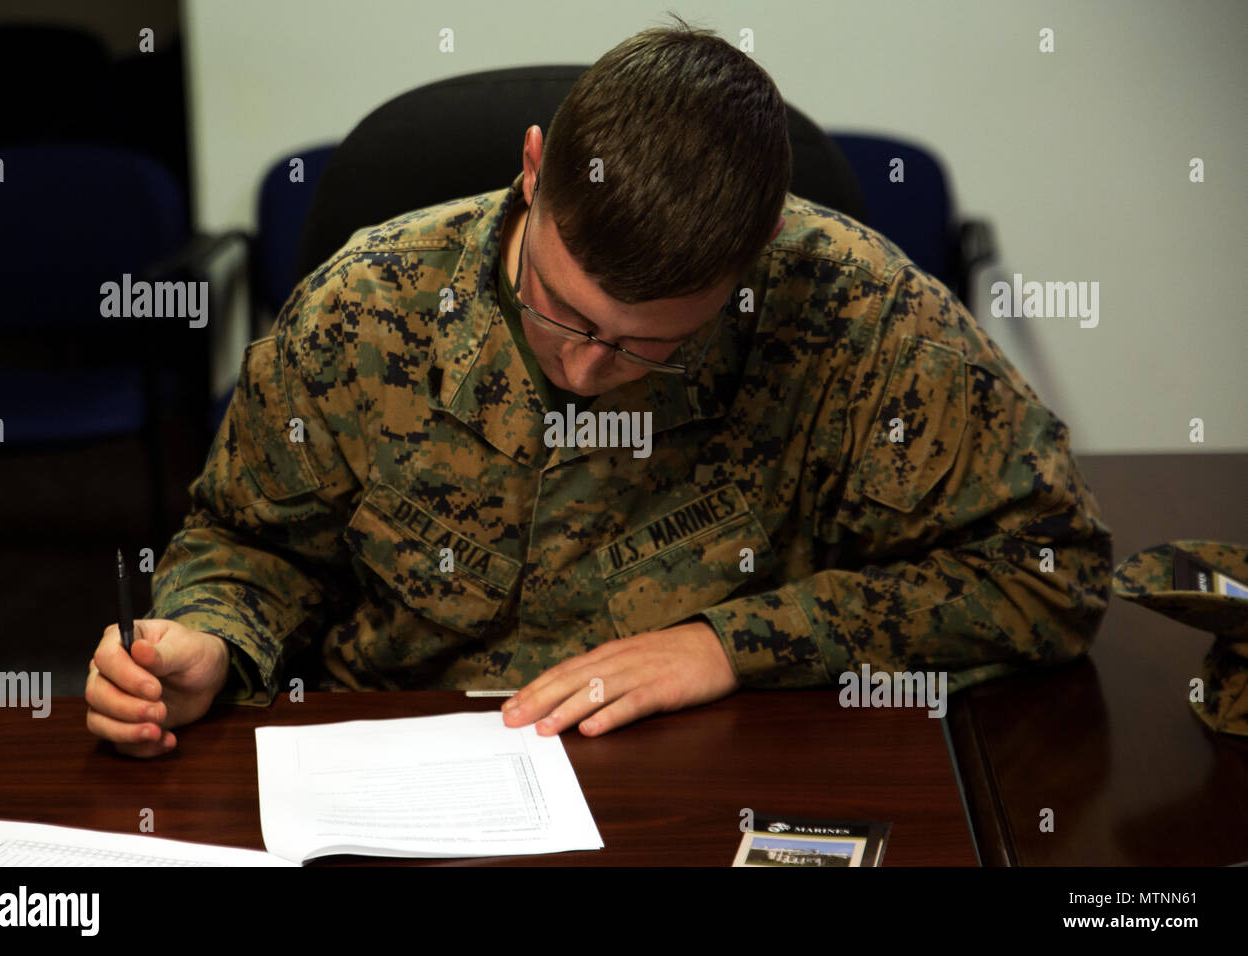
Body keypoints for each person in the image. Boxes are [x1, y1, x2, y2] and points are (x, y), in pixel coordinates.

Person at [85, 18, 1112, 758]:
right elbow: (248, 541)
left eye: (644, 346)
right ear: (534, 170)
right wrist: (208, 638)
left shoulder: (857, 313)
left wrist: (731, 644)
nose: (582, 366)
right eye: (558, 311)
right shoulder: (367, 304)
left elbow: (1043, 570)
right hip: (393, 766)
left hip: (714, 770)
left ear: (751, 262)